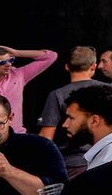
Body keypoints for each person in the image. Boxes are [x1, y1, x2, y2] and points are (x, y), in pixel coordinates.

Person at [37, 45, 104, 177]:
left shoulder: (57, 95)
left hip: (72, 164)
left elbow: (46, 138)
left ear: (67, 67)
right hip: (104, 158)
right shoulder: (108, 91)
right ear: (93, 66)